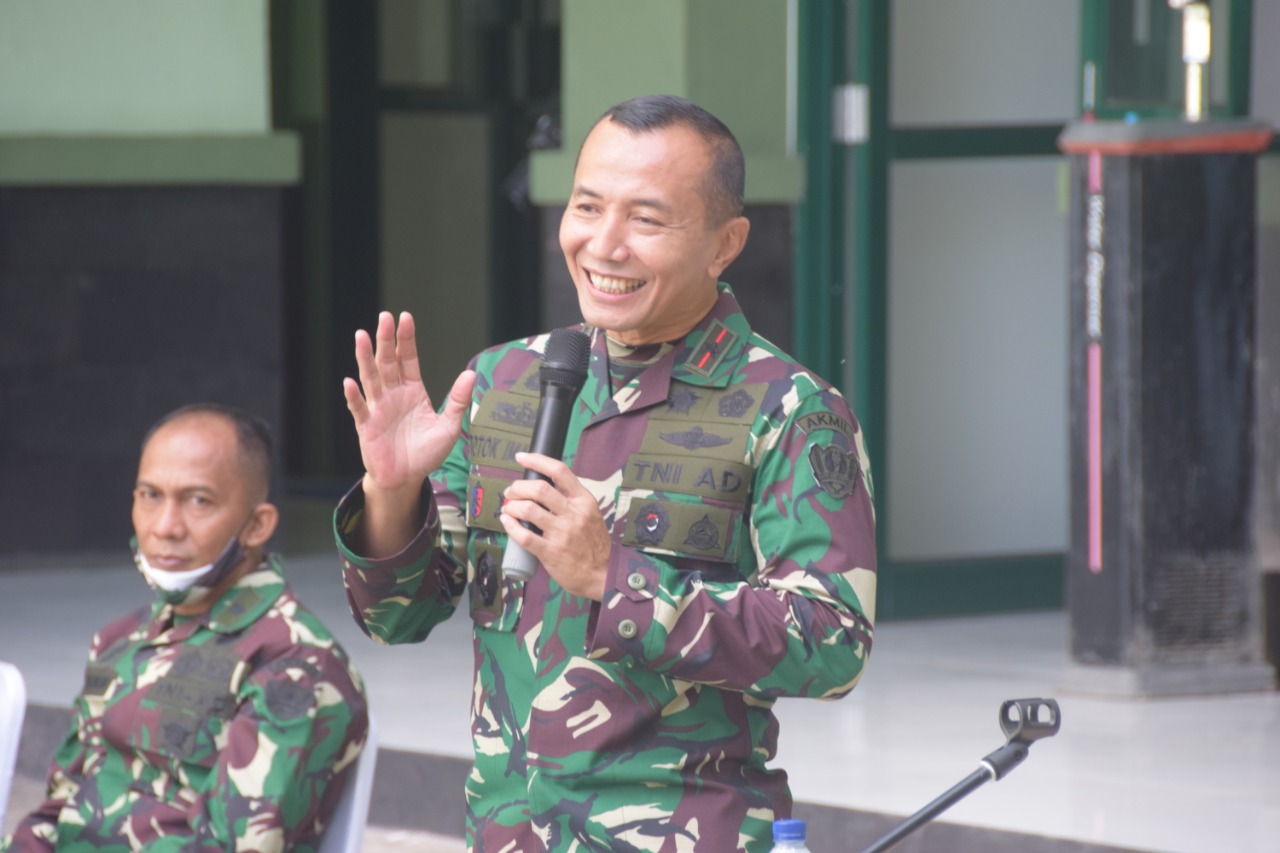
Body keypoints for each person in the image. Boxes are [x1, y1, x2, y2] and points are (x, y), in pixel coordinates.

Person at [336, 94, 876, 851]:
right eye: (587, 206)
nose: (605, 244)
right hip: (507, 831)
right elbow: (400, 615)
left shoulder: (788, 408)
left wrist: (614, 577)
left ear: (726, 243)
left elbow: (834, 643)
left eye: (647, 219)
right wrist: (391, 493)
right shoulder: (503, 382)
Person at [3, 404, 368, 853]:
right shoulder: (119, 641)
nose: (165, 527)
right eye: (150, 495)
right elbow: (58, 809)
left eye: (198, 501)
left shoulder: (295, 665)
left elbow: (235, 845)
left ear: (257, 525)